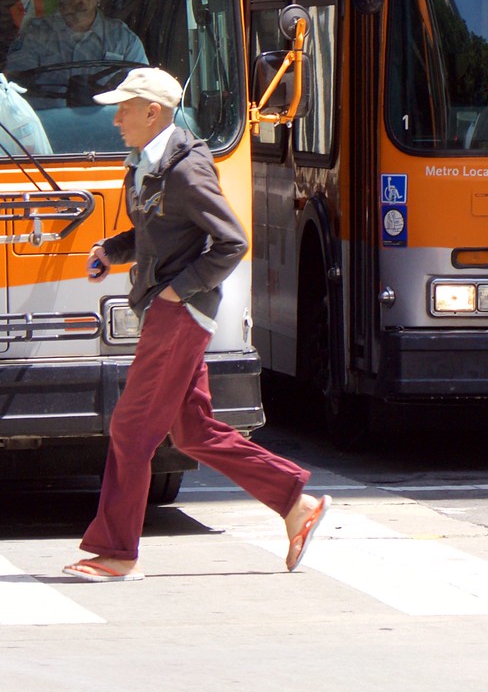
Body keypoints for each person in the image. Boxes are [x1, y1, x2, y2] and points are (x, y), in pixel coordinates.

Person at [64, 66, 329, 581]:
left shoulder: (185, 171)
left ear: (152, 112)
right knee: (193, 432)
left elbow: (232, 241)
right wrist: (111, 250)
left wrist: (175, 291)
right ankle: (296, 503)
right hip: (169, 310)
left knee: (131, 429)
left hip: (179, 314)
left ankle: (117, 553)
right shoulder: (146, 163)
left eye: (124, 108)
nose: (116, 118)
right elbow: (152, 230)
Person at [4, 0, 148, 99]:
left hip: (108, 122)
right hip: (48, 122)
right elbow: (14, 94)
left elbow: (143, 93)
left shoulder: (123, 38)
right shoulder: (34, 35)